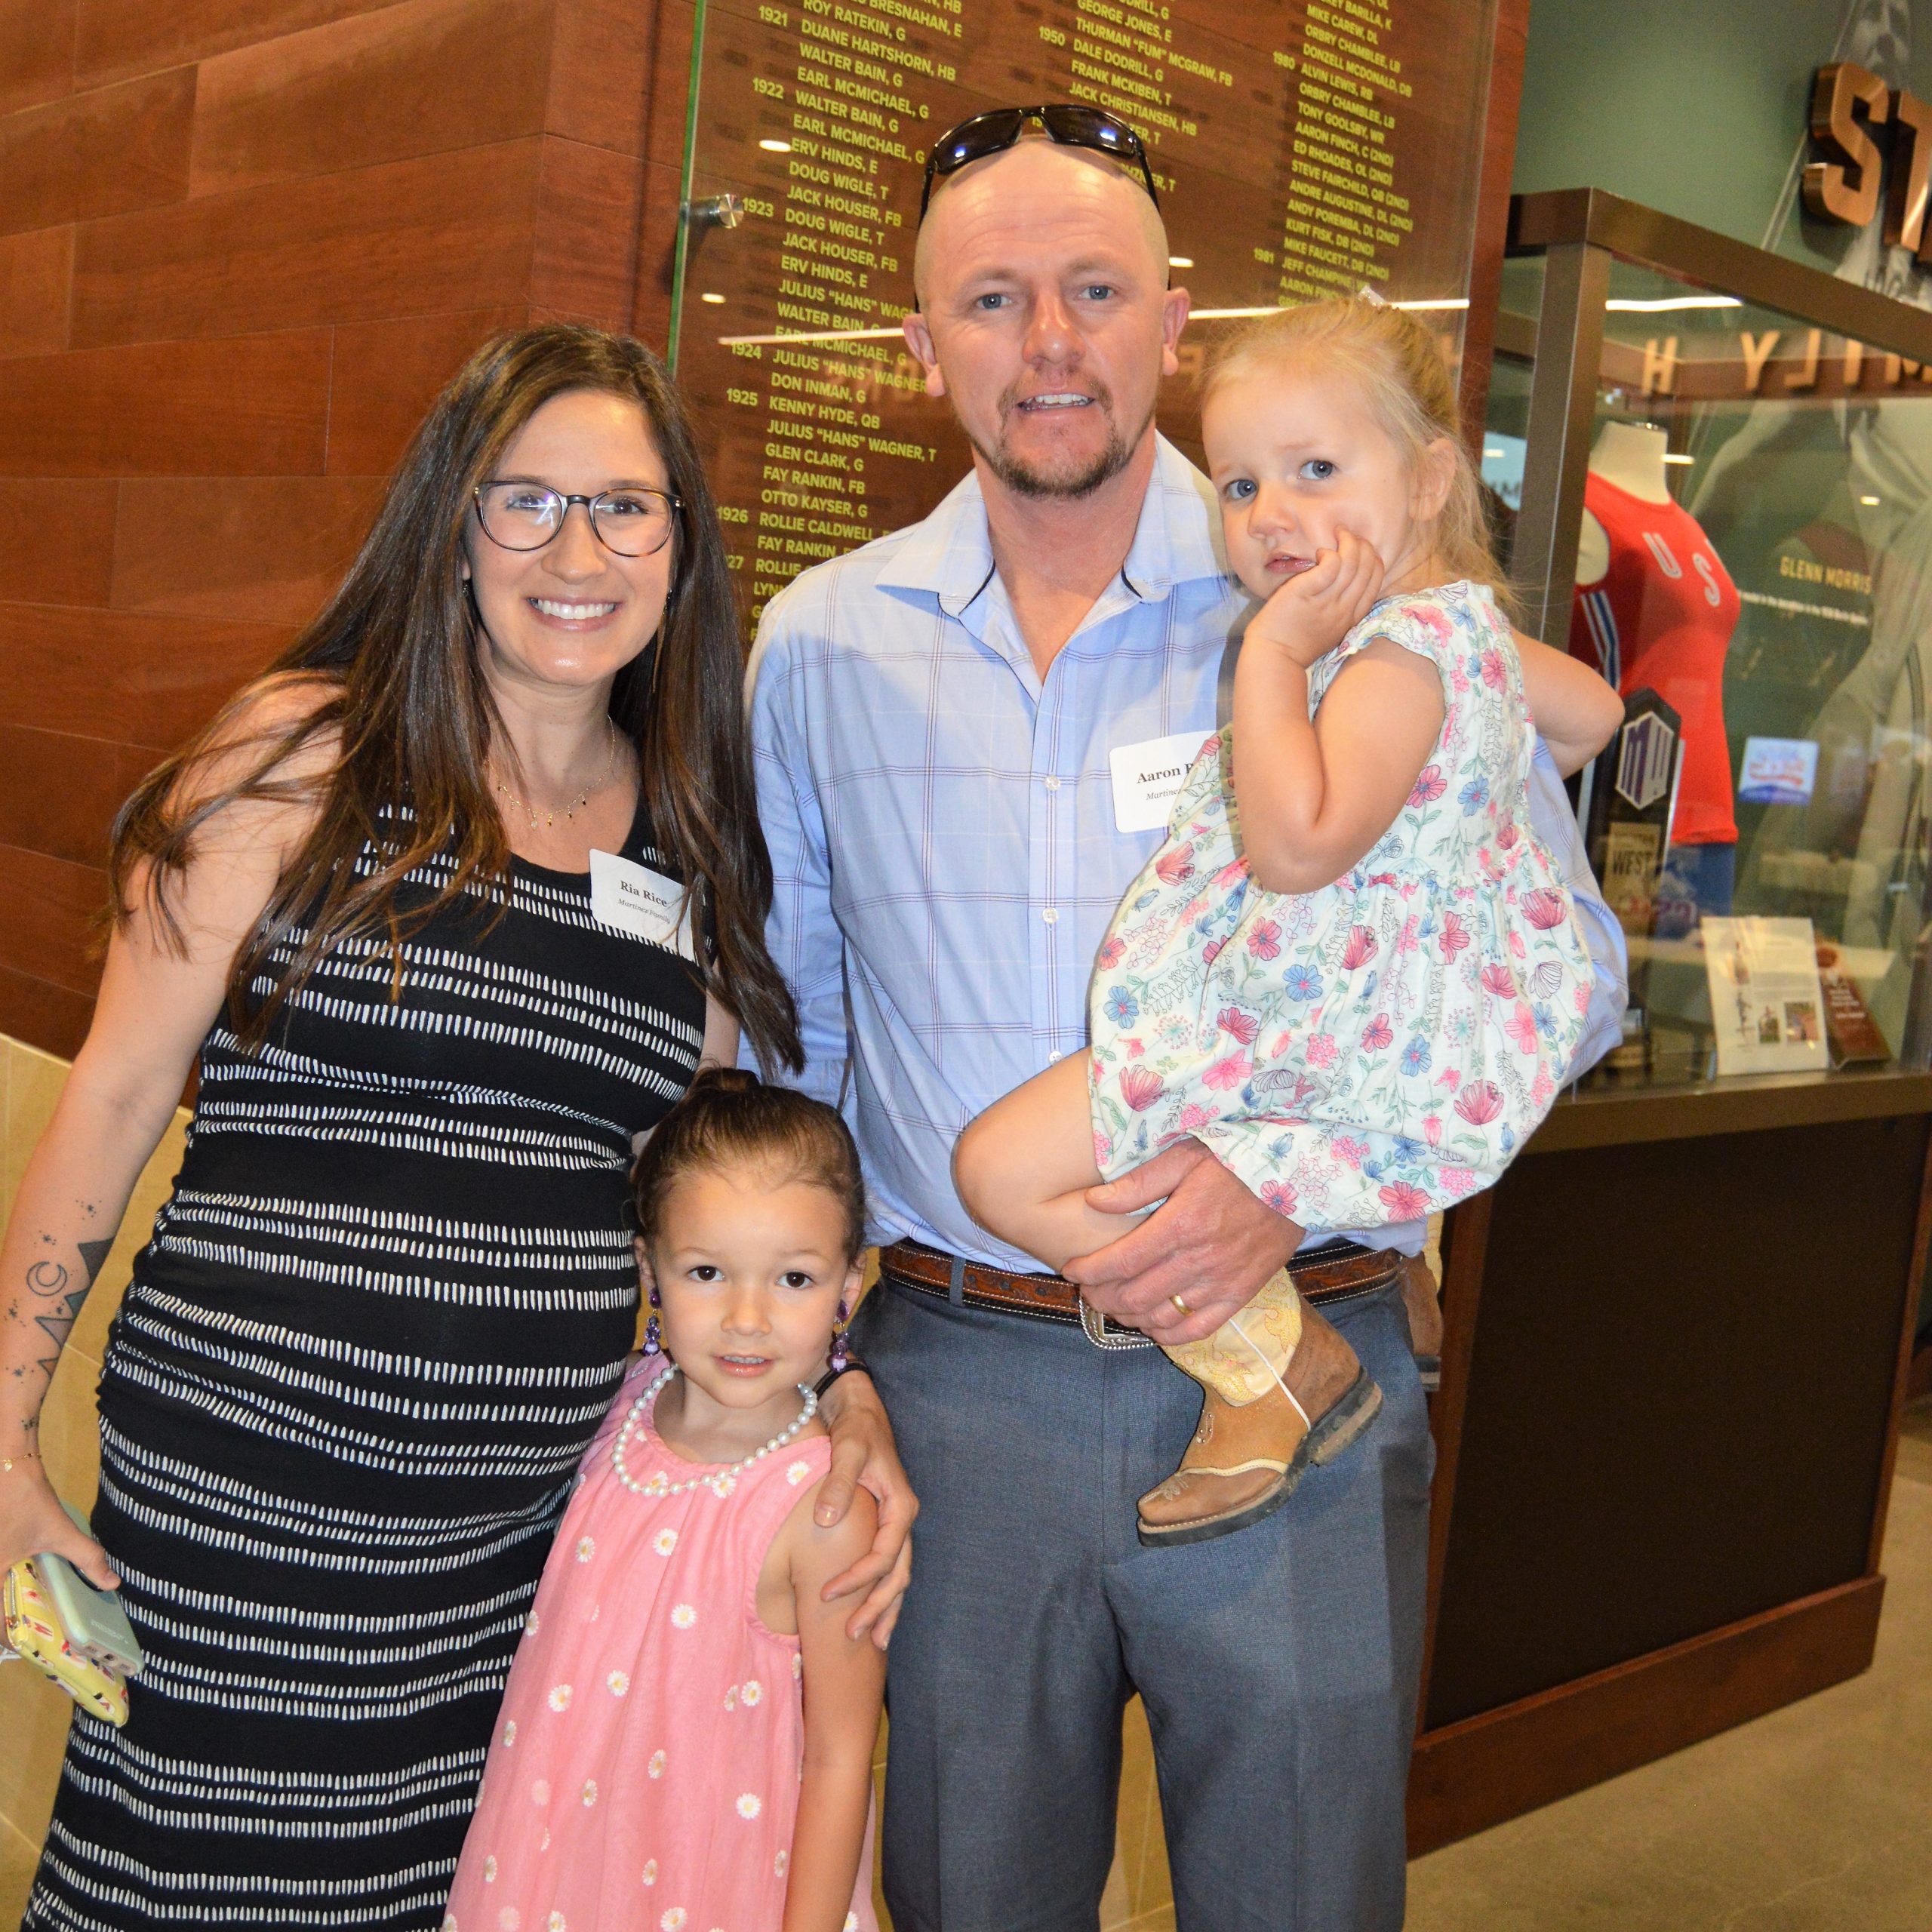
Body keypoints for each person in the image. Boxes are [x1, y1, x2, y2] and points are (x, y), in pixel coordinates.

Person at [749, 109, 1627, 1930]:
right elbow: (793, 1040)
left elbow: (1533, 963)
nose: (1046, 342)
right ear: (919, 345)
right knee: (968, 1894)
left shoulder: (1336, 600)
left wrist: (1285, 1182)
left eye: (1093, 290)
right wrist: (812, 1368)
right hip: (958, 1387)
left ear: (1170, 320)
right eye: (989, 299)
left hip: (1310, 1358)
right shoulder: (817, 642)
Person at [0, 325, 909, 1932]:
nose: (577, 553)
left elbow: (733, 1192)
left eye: (624, 508)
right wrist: (2, 1434)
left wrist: (839, 1387)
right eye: (525, 501)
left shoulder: (691, 841)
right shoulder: (304, 753)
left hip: (510, 1546)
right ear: (453, 525)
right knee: (175, 1880)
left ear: (680, 547)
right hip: (235, 1497)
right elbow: (119, 1093)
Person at [954, 297, 1620, 1545]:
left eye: (1318, 470)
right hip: (1348, 1015)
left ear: (1428, 481)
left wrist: (1272, 658)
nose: (1272, 515)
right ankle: (1328, 1327)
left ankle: (1270, 1363)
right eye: (1244, 484)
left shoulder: (1391, 660)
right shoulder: (1454, 632)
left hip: (1297, 1026)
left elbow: (1297, 848)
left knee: (999, 1171)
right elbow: (1591, 715)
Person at [445, 1069, 884, 1932]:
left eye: (793, 1279)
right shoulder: (617, 1409)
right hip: (548, 1863)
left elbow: (841, 1756)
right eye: (708, 1271)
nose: (747, 1317)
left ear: (848, 1285)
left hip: (717, 1884)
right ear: (650, 1269)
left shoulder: (824, 1509)